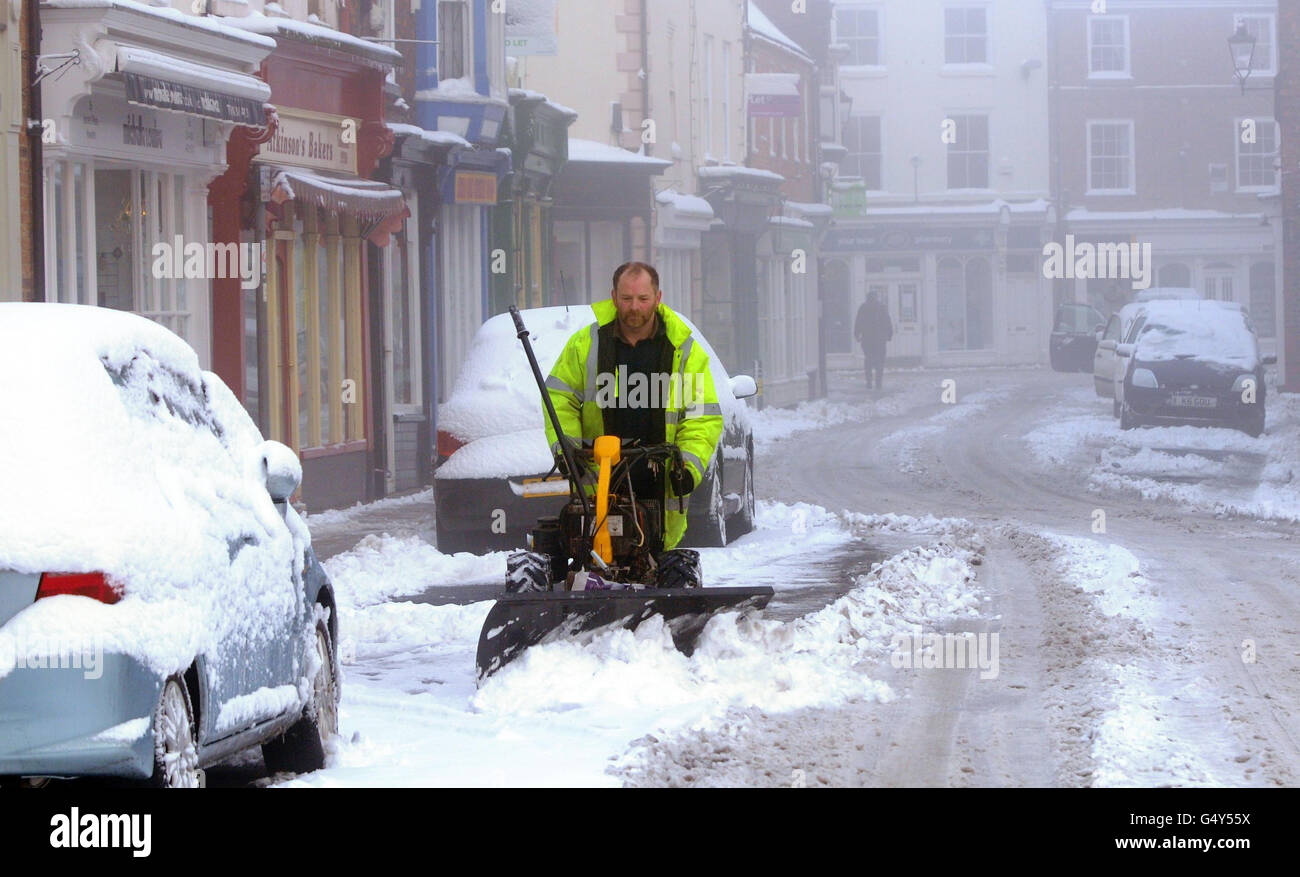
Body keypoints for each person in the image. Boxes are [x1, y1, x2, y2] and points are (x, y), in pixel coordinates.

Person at [543, 261, 723, 551]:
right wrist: (567, 447)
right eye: (626, 299)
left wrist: (687, 467)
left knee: (661, 562)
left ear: (658, 298)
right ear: (613, 297)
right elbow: (559, 399)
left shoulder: (684, 351)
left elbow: (702, 417)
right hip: (598, 482)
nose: (634, 308)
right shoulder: (585, 345)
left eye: (643, 299)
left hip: (658, 481)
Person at [854, 290, 893, 390]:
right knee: (880, 361)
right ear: (876, 297)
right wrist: (889, 334)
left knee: (868, 360)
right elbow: (887, 321)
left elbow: (858, 322)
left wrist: (857, 334)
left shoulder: (863, 308)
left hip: (867, 339)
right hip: (880, 339)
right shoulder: (881, 307)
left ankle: (869, 382)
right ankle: (878, 382)